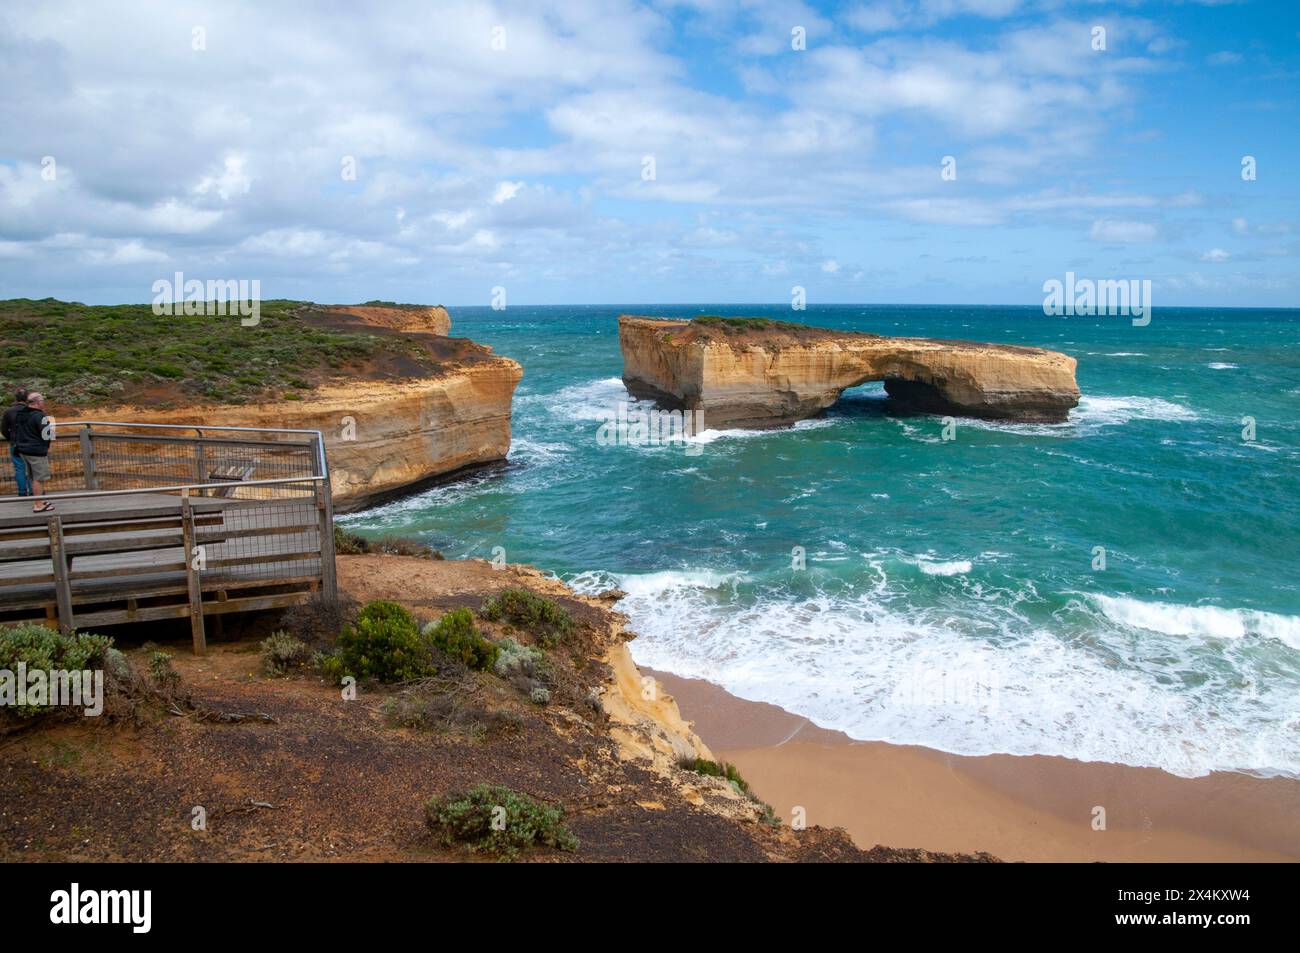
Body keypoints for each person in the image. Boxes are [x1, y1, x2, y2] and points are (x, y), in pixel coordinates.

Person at [13, 392, 54, 513]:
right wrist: (46, 447)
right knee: (39, 478)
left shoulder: (20, 414)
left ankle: (38, 500)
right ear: (37, 402)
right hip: (36, 451)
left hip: (23, 450)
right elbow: (47, 435)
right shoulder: (40, 416)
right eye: (42, 400)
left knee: (32, 476)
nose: (44, 402)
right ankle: (38, 504)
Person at [1, 387, 30, 496]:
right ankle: (33, 491)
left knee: (19, 468)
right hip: (30, 443)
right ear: (27, 397)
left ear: (15, 398)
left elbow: (3, 429)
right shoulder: (31, 410)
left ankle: (22, 492)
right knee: (31, 467)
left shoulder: (8, 411)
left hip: (15, 443)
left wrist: (11, 438)